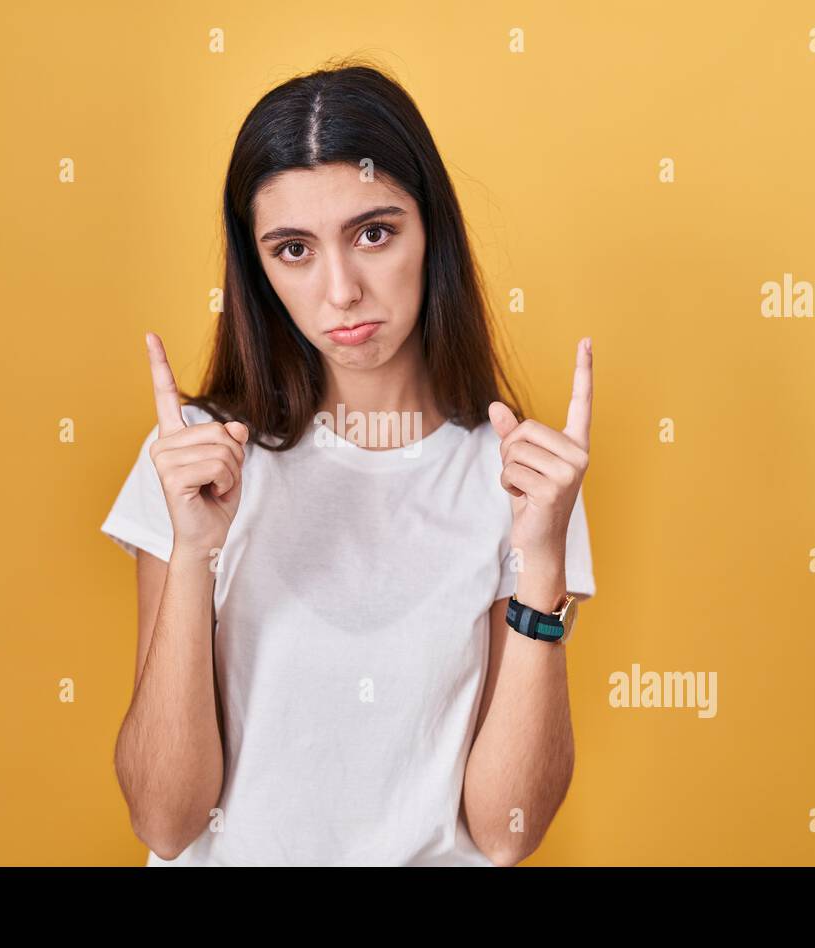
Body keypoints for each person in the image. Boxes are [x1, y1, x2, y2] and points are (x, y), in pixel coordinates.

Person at [100, 60, 596, 866]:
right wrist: (194, 551)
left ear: (431, 230)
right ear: (258, 270)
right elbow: (164, 819)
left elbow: (508, 834)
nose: (341, 291)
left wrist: (541, 562)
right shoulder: (197, 458)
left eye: (374, 233)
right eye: (293, 249)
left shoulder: (521, 479)